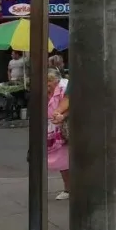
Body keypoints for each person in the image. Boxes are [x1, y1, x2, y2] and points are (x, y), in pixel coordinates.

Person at [46, 68, 70, 200]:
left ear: (54, 80)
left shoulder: (64, 87)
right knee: (62, 160)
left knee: (66, 159)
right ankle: (68, 188)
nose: (47, 84)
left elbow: (71, 103)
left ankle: (69, 188)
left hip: (66, 126)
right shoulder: (46, 90)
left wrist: (62, 115)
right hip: (53, 128)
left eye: (48, 81)